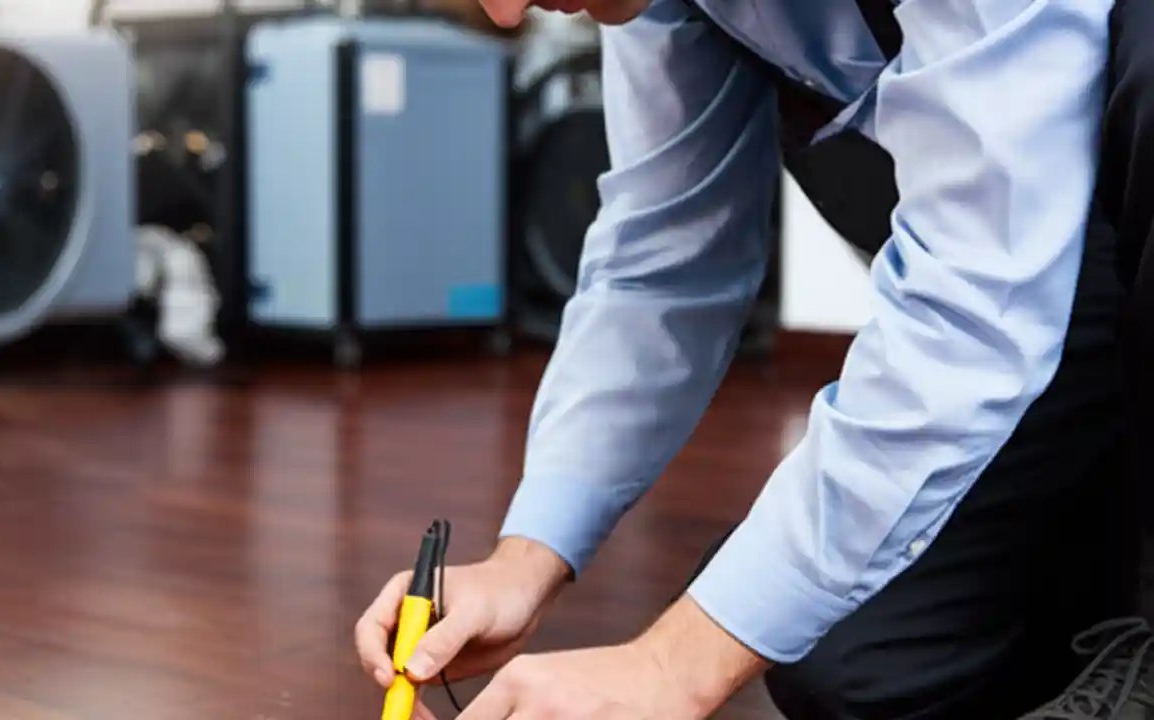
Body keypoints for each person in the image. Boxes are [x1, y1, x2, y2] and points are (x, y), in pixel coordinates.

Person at [354, 0, 1154, 716]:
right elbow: (663, 258)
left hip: (1016, 271)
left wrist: (674, 666)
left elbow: (977, 297)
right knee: (843, 664)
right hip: (1055, 281)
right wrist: (526, 559)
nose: (505, 12)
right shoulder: (667, 8)